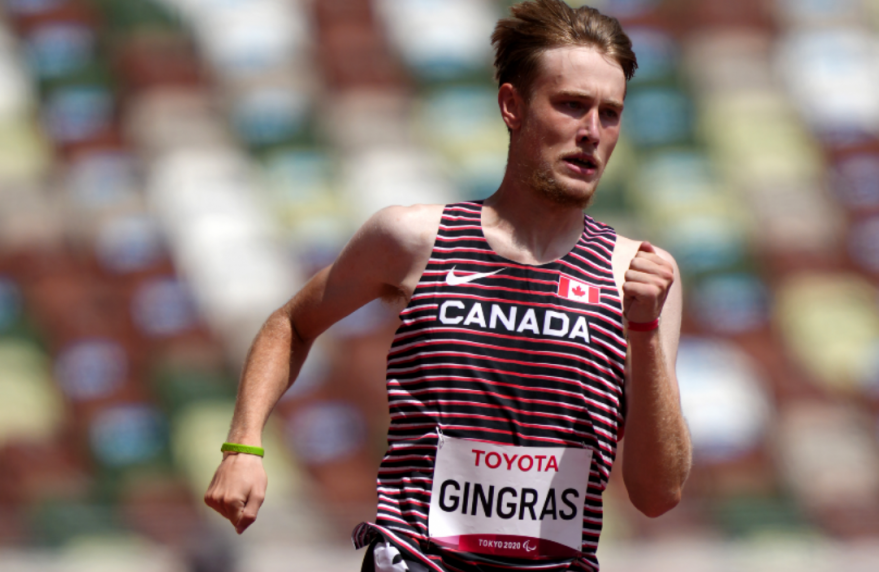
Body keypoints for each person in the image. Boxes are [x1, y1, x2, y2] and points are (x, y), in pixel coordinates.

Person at [204, 0, 692, 570]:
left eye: (610, 114)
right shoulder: (415, 238)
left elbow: (658, 494)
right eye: (571, 105)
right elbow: (291, 324)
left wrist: (643, 329)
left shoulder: (637, 273)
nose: (591, 132)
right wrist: (243, 445)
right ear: (512, 105)